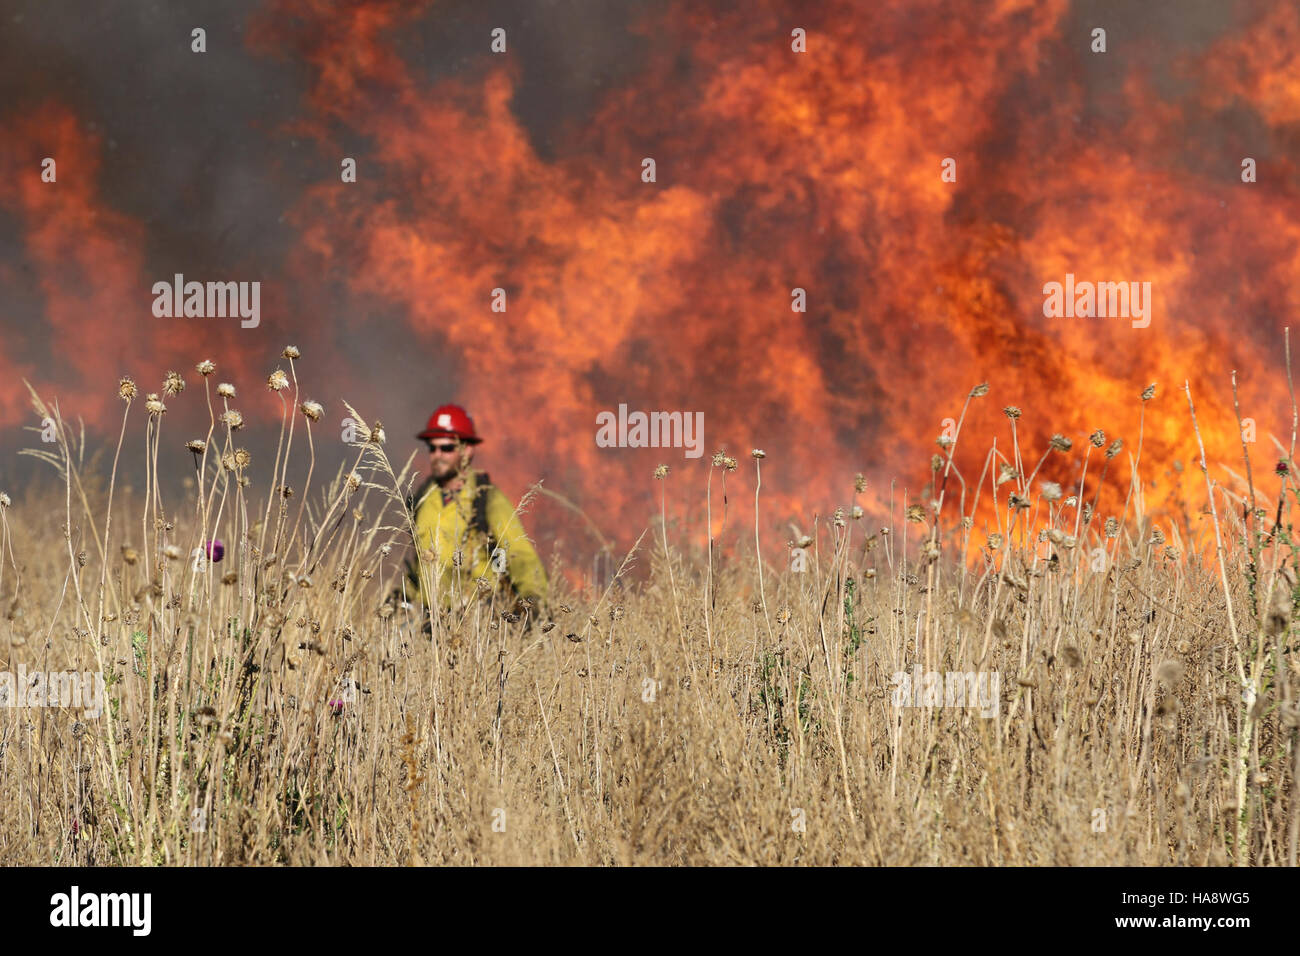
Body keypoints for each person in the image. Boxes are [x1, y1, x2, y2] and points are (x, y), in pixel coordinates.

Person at [396, 404, 548, 617]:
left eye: (447, 448)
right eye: (432, 448)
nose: (437, 455)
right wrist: (401, 599)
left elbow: (521, 556)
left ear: (467, 450)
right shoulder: (423, 499)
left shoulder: (486, 498)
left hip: (476, 620)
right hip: (429, 619)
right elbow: (420, 564)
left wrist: (533, 601)